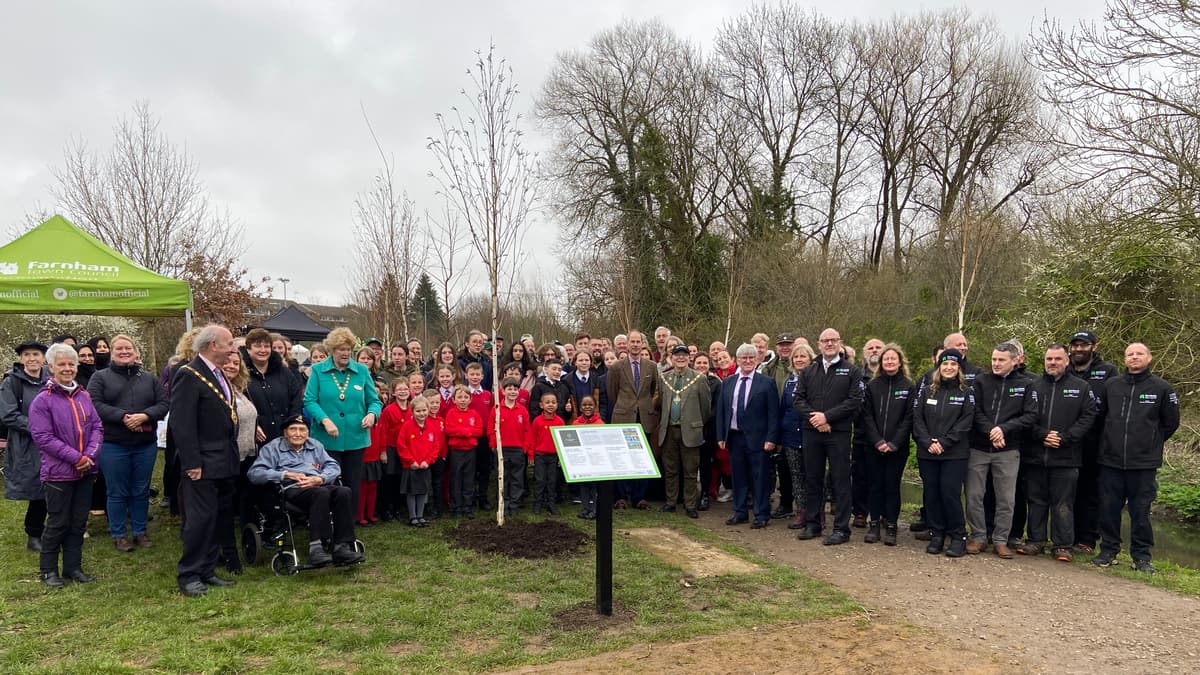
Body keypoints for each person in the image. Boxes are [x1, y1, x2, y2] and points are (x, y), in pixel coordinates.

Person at [1093, 343, 1179, 573]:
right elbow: (1099, 418)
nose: (1134, 357)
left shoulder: (1162, 388)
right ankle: (1108, 550)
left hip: (1143, 463)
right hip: (1110, 460)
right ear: (1125, 359)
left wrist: (1150, 442)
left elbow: (1170, 423)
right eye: (1129, 354)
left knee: (1140, 511)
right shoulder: (1111, 385)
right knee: (1109, 509)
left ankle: (1141, 556)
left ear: (1149, 358)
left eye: (1139, 354)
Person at [170, 325, 241, 596]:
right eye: (229, 343)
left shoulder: (218, 373)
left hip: (223, 460)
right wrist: (192, 463)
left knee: (216, 519)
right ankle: (189, 574)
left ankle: (207, 569)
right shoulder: (189, 375)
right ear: (213, 345)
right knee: (199, 520)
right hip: (203, 463)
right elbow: (182, 424)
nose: (233, 349)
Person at [28, 343, 102, 587]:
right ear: (51, 367)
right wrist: (76, 458)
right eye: (62, 364)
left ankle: (73, 567)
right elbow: (44, 438)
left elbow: (97, 427)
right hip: (59, 474)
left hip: (86, 470)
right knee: (58, 523)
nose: (68, 368)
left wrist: (89, 455)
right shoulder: (42, 401)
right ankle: (48, 570)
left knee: (78, 522)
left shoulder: (84, 396)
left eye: (71, 364)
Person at [87, 334, 169, 552]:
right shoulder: (99, 378)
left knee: (140, 490)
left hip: (145, 444)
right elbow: (94, 404)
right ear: (111, 353)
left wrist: (145, 416)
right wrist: (123, 417)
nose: (124, 352)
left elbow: (163, 404)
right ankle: (119, 534)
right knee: (117, 490)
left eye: (128, 348)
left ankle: (140, 531)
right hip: (114, 443)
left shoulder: (150, 379)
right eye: (119, 349)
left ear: (136, 352)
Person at [248, 415, 364, 566]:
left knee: (344, 491)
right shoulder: (273, 448)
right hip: (292, 488)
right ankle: (317, 548)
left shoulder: (314, 445)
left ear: (308, 432)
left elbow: (333, 466)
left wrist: (321, 478)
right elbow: (254, 473)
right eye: (293, 429)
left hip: (317, 484)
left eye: (302, 430)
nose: (298, 434)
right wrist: (285, 474)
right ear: (285, 433)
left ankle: (342, 546)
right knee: (320, 493)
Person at [1019, 343, 1098, 561]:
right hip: (1036, 455)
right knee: (1036, 501)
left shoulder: (1081, 387)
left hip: (1066, 456)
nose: (1052, 363)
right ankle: (1035, 541)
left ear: (1067, 361)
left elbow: (1088, 417)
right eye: (1049, 359)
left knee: (1063, 503)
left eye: (1057, 359)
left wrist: (1066, 438)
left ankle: (1063, 545)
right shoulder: (1033, 386)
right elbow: (1024, 417)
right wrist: (1042, 434)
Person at [964, 342, 1037, 558]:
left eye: (1001, 360)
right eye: (994, 359)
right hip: (979, 447)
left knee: (1006, 499)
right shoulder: (980, 381)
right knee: (974, 495)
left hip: (1008, 450)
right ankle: (978, 536)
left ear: (1014, 361)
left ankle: (1000, 540)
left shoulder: (1026, 384)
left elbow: (1030, 415)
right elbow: (974, 410)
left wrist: (1004, 429)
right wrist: (991, 431)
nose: (996, 363)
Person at [795, 328, 864, 545]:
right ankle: (813, 524)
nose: (829, 344)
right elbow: (798, 400)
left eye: (833, 340)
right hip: (812, 432)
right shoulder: (809, 371)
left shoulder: (851, 371)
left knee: (840, 480)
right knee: (813, 479)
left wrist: (827, 417)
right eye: (825, 341)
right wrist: (816, 419)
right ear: (819, 344)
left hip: (839, 433)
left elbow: (854, 401)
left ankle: (841, 529)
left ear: (840, 343)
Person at [303, 327, 382, 519]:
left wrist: (372, 414)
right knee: (328, 483)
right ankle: (326, 521)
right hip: (326, 439)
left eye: (349, 349)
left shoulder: (362, 371)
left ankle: (348, 525)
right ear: (332, 350)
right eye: (341, 349)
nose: (346, 353)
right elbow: (310, 400)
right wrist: (325, 420)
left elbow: (374, 401)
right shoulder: (318, 371)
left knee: (352, 484)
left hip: (356, 438)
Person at [912, 348, 976, 557]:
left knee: (949, 494)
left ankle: (958, 536)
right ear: (939, 367)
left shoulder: (966, 392)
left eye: (953, 364)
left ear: (959, 368)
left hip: (954, 453)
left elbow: (966, 422)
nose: (949, 368)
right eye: (945, 364)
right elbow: (917, 418)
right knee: (932, 494)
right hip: (928, 452)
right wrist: (927, 441)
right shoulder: (927, 391)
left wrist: (944, 442)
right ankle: (937, 533)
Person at [715, 344, 781, 529]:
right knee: (738, 477)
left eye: (751, 357)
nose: (748, 361)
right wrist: (721, 435)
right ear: (737, 360)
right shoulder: (728, 382)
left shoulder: (766, 383)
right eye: (744, 357)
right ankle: (740, 512)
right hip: (735, 437)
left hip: (759, 439)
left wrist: (771, 438)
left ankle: (761, 514)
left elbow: (773, 413)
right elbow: (722, 411)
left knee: (759, 478)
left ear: (757, 359)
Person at [1065, 329, 1118, 554]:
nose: (1078, 349)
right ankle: (1064, 538)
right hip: (1066, 442)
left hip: (1094, 443)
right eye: (1075, 345)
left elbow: (1112, 408)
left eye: (1084, 345)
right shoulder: (1064, 368)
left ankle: (1086, 540)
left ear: (1094, 347)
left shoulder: (1108, 371)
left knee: (1090, 493)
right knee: (1066, 492)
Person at [859, 343, 914, 546]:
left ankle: (891, 526)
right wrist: (878, 441)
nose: (890, 362)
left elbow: (909, 418)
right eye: (886, 359)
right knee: (875, 486)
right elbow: (867, 416)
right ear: (881, 362)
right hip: (873, 446)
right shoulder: (873, 386)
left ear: (900, 362)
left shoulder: (908, 386)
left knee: (892, 486)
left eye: (893, 359)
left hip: (897, 448)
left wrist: (894, 443)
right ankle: (874, 524)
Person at [1, 339, 50, 552]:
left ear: (43, 358)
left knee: (53, 485)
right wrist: (39, 428)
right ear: (21, 359)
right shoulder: (11, 382)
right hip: (26, 443)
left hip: (52, 442)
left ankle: (53, 529)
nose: (32, 359)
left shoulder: (51, 379)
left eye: (36, 354)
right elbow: (8, 415)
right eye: (27, 355)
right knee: (36, 488)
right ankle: (34, 534)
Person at [606, 330, 661, 509]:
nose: (636, 345)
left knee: (642, 458)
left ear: (642, 344)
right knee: (622, 457)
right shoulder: (616, 367)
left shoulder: (651, 366)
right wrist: (626, 405)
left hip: (644, 417)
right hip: (623, 416)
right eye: (633, 341)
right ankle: (621, 497)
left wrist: (643, 405)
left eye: (638, 342)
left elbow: (653, 389)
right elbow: (612, 392)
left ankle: (639, 497)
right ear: (627, 344)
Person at [657, 344, 711, 519]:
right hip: (669, 430)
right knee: (670, 469)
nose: (680, 358)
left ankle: (690, 505)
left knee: (690, 470)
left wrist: (695, 424)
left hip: (690, 431)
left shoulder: (699, 379)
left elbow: (705, 408)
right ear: (672, 357)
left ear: (689, 358)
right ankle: (671, 502)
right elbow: (662, 403)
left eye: (684, 355)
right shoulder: (664, 378)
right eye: (677, 355)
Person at [240, 328, 304, 449]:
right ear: (248, 349)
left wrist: (292, 424)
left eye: (266, 346)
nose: (263, 350)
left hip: (284, 434)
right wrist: (252, 425)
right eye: (258, 346)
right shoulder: (241, 373)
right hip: (255, 437)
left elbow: (296, 398)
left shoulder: (284, 372)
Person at [397, 396, 443, 526]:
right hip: (411, 466)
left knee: (423, 490)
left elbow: (436, 447)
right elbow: (401, 445)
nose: (421, 413)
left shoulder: (431, 427)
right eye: (418, 411)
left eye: (424, 410)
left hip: (424, 466)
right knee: (412, 492)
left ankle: (420, 515)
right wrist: (411, 461)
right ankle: (412, 517)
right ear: (412, 412)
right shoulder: (407, 427)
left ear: (428, 410)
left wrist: (428, 461)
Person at [489, 377, 531, 516]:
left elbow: (527, 430)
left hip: (518, 450)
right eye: (509, 389)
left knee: (517, 478)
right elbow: (491, 429)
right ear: (503, 391)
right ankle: (504, 503)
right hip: (502, 449)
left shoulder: (522, 410)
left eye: (515, 389)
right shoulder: (497, 409)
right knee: (503, 477)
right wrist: (494, 445)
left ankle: (514, 504)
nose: (512, 392)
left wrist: (525, 447)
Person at [692, 353, 725, 511]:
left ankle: (705, 494)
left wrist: (700, 419)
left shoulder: (715, 383)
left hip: (707, 429)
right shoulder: (688, 380)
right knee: (690, 463)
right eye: (698, 362)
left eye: (704, 362)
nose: (701, 365)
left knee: (705, 463)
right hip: (689, 428)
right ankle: (689, 494)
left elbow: (717, 407)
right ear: (693, 364)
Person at [444, 385, 483, 516]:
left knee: (469, 478)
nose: (463, 400)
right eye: (459, 397)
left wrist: (463, 431)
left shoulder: (474, 414)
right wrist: (466, 432)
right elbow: (449, 430)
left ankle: (468, 506)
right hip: (456, 451)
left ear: (470, 399)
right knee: (456, 478)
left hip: (470, 450)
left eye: (466, 397)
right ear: (454, 400)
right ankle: (456, 506)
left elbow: (479, 430)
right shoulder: (451, 413)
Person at [377, 378, 412, 521]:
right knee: (389, 480)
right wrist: (383, 451)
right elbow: (383, 432)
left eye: (405, 389)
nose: (403, 392)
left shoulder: (412, 409)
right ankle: (386, 509)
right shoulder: (388, 410)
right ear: (393, 393)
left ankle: (398, 508)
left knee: (400, 479)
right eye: (399, 390)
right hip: (391, 448)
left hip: (406, 449)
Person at [527, 391, 564, 516]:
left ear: (557, 405)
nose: (550, 405)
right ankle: (537, 503)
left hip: (554, 457)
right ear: (541, 405)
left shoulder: (559, 421)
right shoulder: (537, 421)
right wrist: (531, 455)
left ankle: (551, 503)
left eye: (553, 402)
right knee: (540, 480)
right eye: (547, 402)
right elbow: (532, 439)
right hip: (540, 456)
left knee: (552, 481)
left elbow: (562, 441)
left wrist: (561, 457)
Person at [573, 395, 605, 519]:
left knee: (594, 487)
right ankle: (585, 509)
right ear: (580, 407)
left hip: (595, 461)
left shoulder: (600, 423)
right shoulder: (576, 423)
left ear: (595, 407)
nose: (587, 407)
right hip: (582, 461)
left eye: (590, 405)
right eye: (584, 405)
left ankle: (595, 510)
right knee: (583, 485)